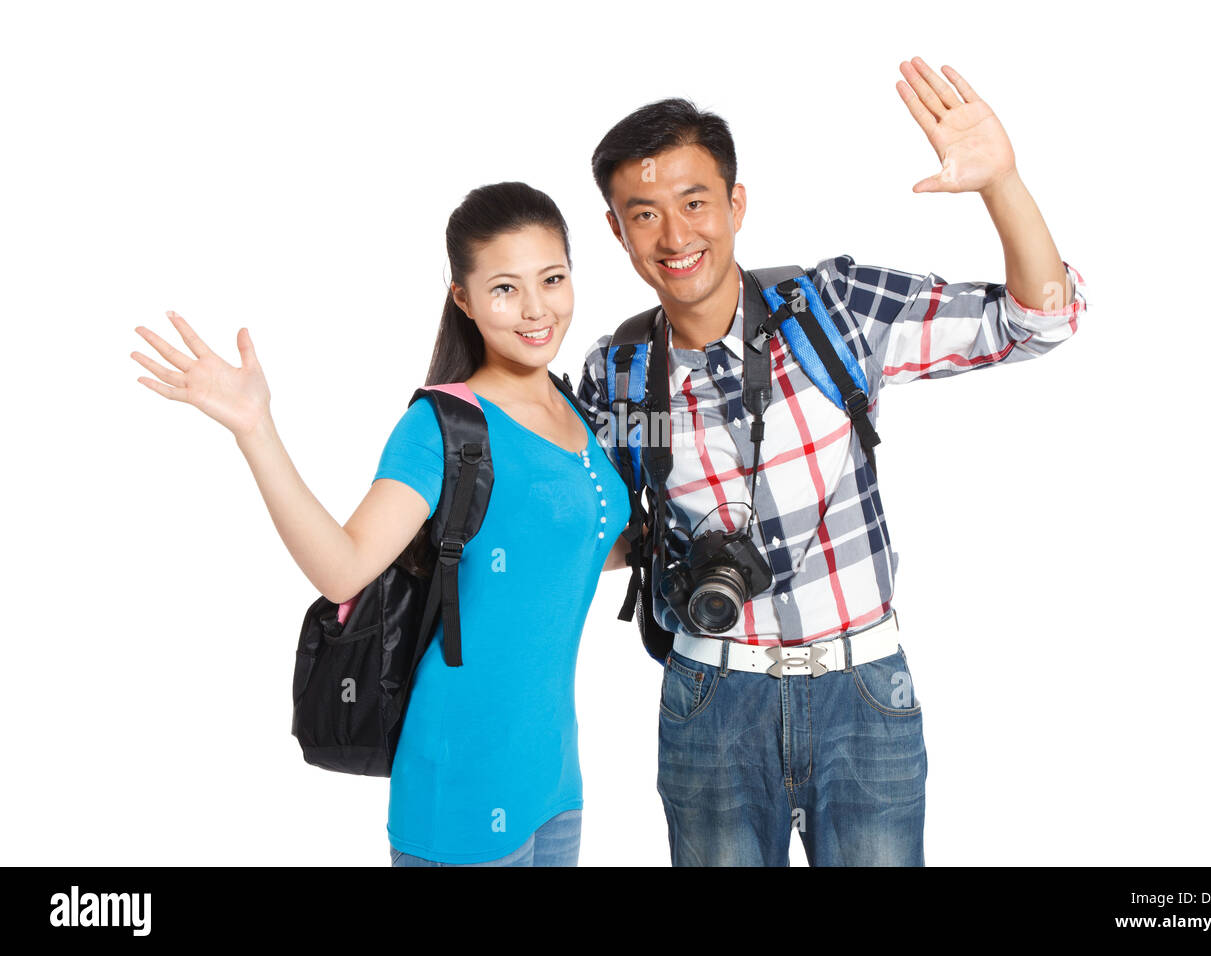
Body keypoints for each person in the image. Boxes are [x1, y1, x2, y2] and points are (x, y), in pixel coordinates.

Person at [576, 59, 1088, 866]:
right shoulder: (620, 370)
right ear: (616, 229)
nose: (675, 236)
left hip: (862, 687)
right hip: (709, 696)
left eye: (695, 202)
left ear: (737, 205)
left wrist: (1003, 184)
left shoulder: (833, 311)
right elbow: (599, 533)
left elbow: (1037, 323)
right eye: (643, 215)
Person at [130, 181, 633, 866]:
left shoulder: (573, 408)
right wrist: (256, 429)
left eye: (553, 278)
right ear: (463, 298)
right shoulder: (442, 426)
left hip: (556, 779)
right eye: (506, 289)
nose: (537, 309)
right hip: (459, 782)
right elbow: (343, 568)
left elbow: (566, 547)